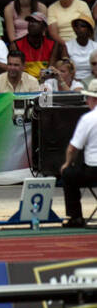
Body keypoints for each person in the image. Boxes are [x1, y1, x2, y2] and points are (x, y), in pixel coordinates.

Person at [59, 77, 97, 227]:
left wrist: (68, 163)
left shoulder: (88, 118)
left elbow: (72, 148)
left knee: (68, 174)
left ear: (93, 99)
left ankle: (76, 217)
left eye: (88, 98)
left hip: (93, 170)